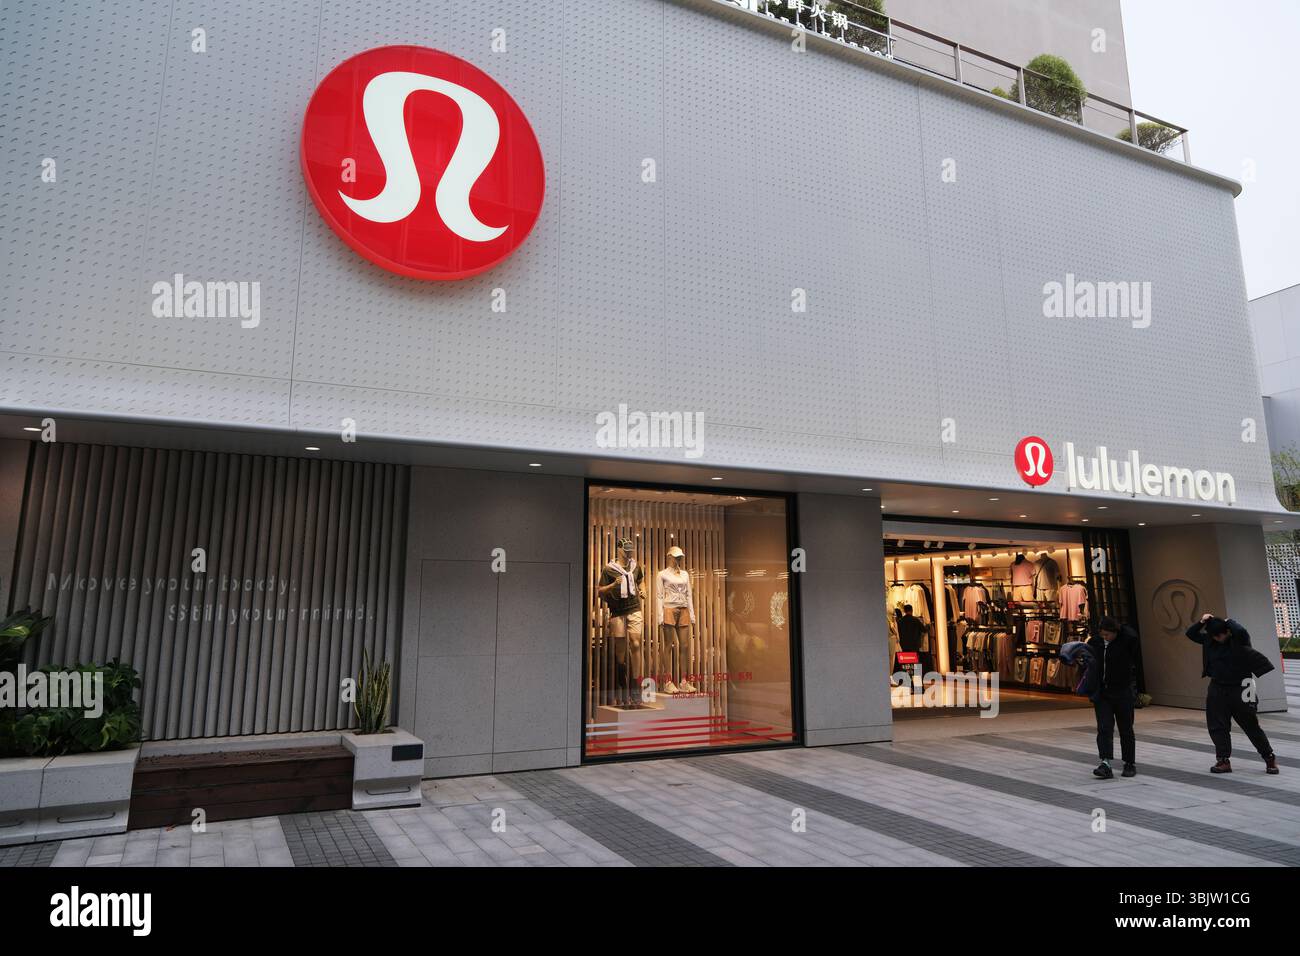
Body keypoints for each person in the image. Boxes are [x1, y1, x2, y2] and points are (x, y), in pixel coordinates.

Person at [1185, 614, 1279, 775]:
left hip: (1243, 687)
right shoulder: (1209, 641)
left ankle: (1269, 757)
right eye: (1215, 635)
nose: (1218, 638)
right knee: (1217, 726)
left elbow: (1241, 630)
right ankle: (1223, 761)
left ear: (1227, 631)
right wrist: (1202, 621)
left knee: (1250, 724)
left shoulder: (1239, 640)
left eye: (1221, 634)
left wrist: (1228, 621)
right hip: (1217, 687)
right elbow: (1191, 634)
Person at [1086, 617, 1140, 779]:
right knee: (1104, 727)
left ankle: (1129, 763)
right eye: (1102, 634)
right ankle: (1105, 763)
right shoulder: (1095, 643)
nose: (1105, 637)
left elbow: (1133, 645)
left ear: (1116, 632)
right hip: (1103, 693)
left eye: (1108, 634)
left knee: (1126, 728)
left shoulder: (1126, 640)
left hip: (1122, 691)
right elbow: (1089, 662)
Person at [896, 604, 924, 674]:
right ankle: (917, 682)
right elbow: (924, 630)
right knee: (915, 665)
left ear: (904, 611)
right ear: (912, 610)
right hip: (914, 646)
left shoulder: (900, 621)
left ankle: (906, 681)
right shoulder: (915, 620)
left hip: (904, 646)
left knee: (905, 665)